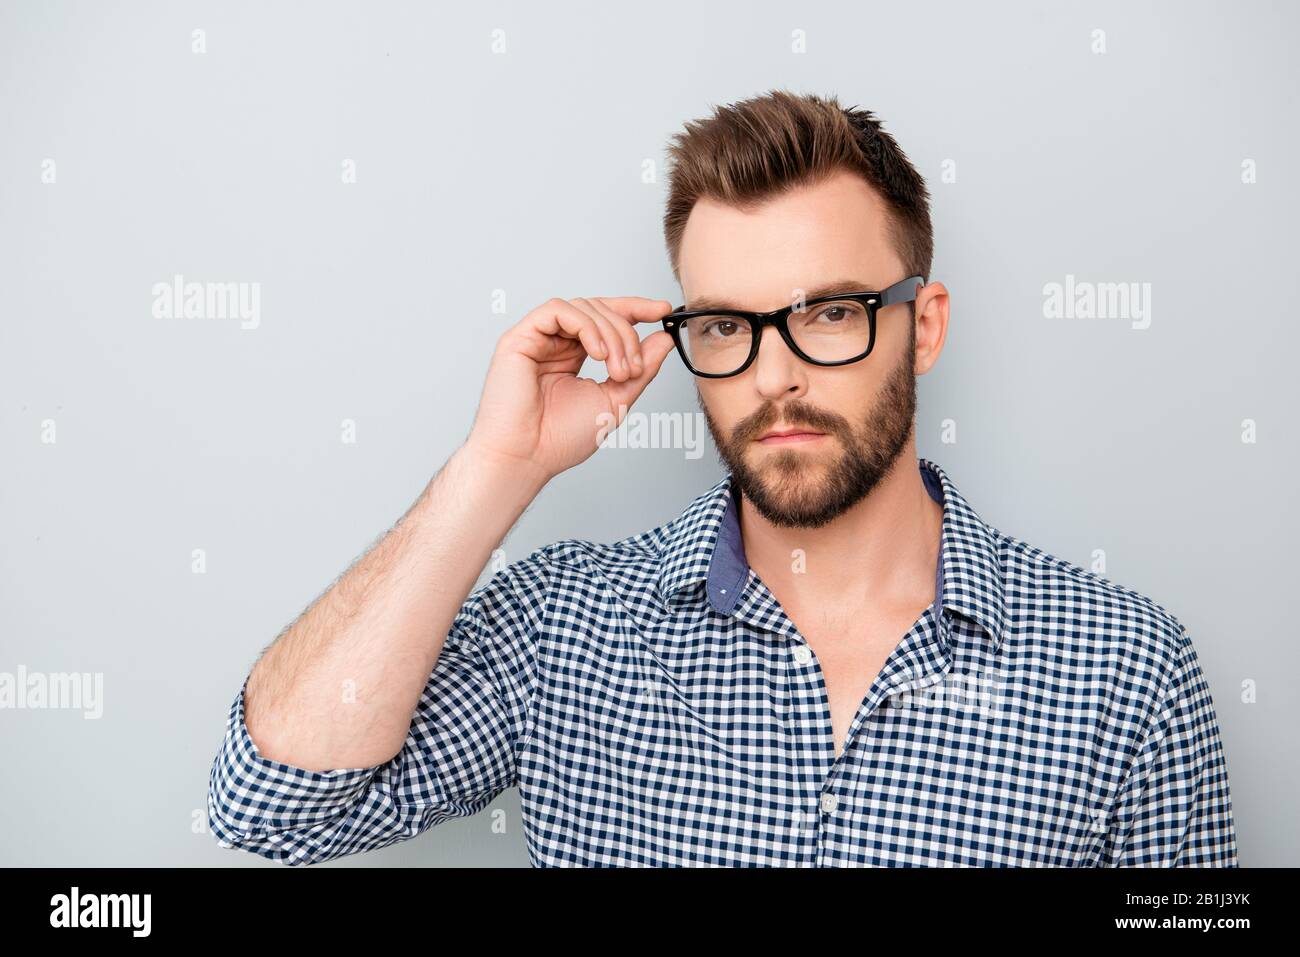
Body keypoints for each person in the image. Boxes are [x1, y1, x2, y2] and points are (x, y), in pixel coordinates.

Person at [206, 89, 1238, 867]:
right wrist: (495, 469)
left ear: (921, 328)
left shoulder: (1127, 672)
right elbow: (270, 806)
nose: (774, 377)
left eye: (830, 314)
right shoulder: (568, 627)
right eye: (727, 326)